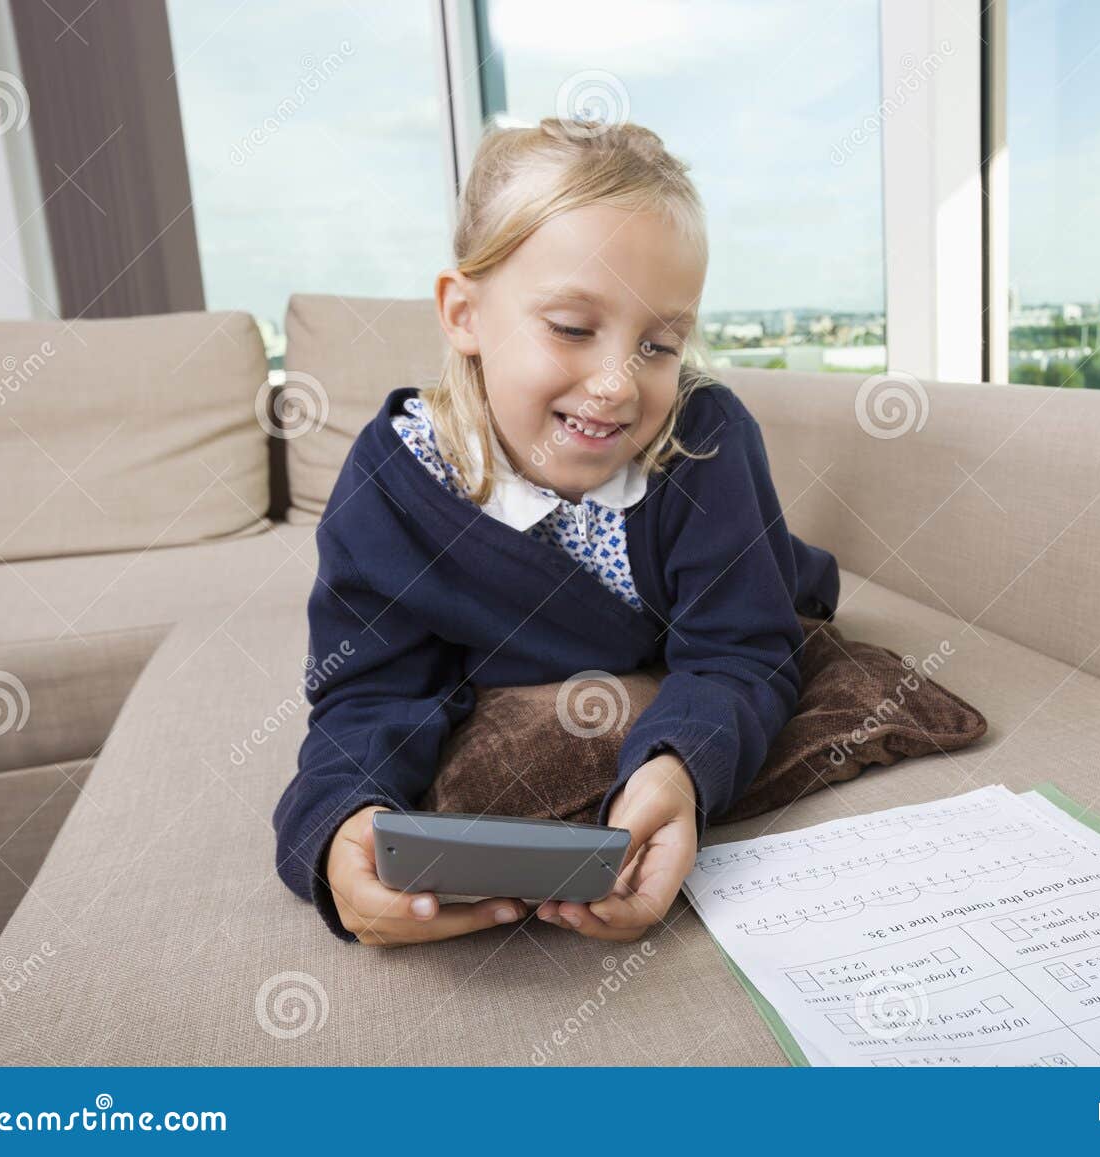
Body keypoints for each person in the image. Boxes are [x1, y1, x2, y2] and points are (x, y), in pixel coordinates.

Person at [272, 117, 839, 947]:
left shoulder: (705, 439)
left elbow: (740, 651)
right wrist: (339, 829)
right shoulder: (390, 488)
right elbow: (368, 690)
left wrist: (680, 768)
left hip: (761, 577)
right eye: (572, 329)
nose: (615, 385)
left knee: (787, 603)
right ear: (463, 313)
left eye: (658, 343)